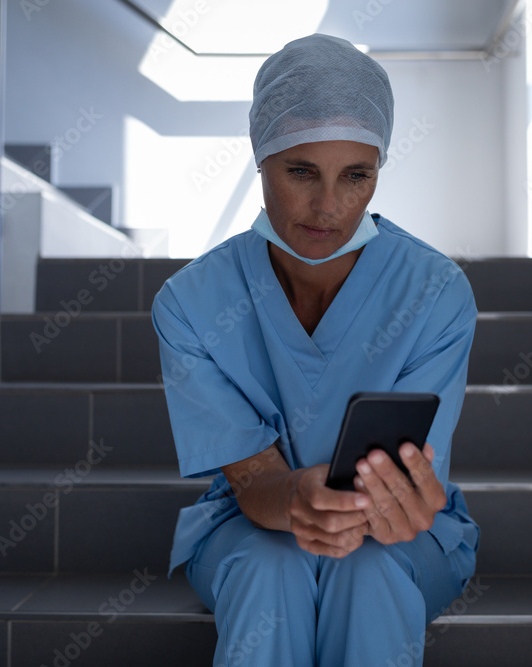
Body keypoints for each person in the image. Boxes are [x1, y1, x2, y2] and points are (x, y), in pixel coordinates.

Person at [152, 33, 480, 667]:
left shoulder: (435, 292)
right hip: (251, 527)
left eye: (356, 176)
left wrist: (399, 507)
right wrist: (294, 497)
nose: (329, 207)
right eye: (301, 171)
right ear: (260, 157)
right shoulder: (191, 303)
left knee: (371, 571)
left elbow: (411, 475)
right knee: (269, 570)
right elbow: (252, 481)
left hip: (399, 537)